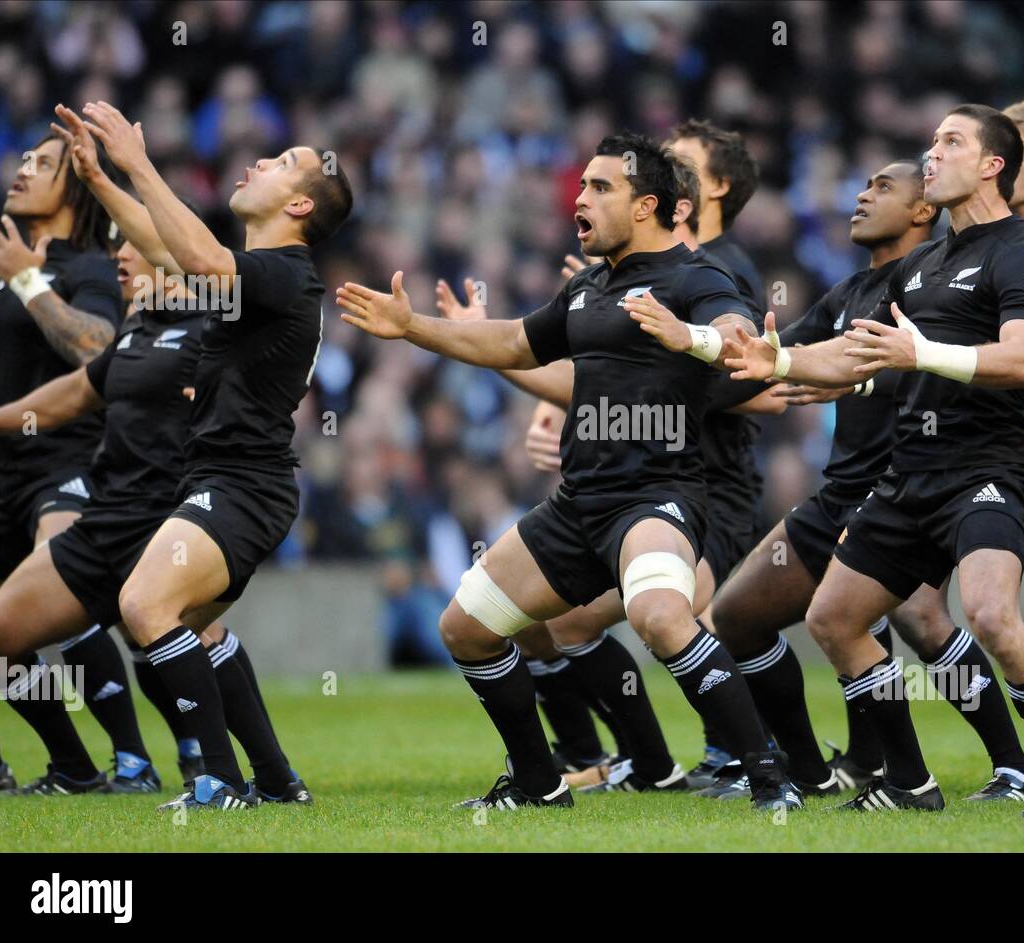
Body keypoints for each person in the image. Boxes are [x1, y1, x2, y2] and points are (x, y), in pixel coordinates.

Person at [338, 132, 801, 811]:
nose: (578, 198)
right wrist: (414, 326)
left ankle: (769, 778)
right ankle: (540, 782)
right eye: (581, 186)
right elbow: (515, 342)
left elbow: (742, 342)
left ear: (646, 206)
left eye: (599, 188)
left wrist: (692, 338)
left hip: (656, 497)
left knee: (661, 615)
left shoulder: (696, 277)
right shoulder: (589, 288)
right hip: (580, 501)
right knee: (464, 628)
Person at [723, 105, 1024, 816]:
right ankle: (909, 782)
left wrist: (919, 352)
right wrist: (778, 358)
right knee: (834, 619)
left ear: (992, 164)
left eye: (950, 142)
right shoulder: (922, 264)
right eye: (930, 142)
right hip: (907, 478)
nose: (932, 153)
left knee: (989, 616)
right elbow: (858, 349)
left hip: (983, 470)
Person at [52, 100, 350, 810]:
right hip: (230, 482)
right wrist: (100, 177)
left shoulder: (286, 272)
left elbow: (196, 256)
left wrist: (138, 160)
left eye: (280, 163)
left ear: (301, 201)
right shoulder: (259, 277)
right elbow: (162, 247)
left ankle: (216, 782)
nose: (255, 162)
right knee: (186, 625)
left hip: (244, 486)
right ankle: (277, 781)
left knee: (143, 602)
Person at [0, 127, 132, 794]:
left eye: (41, 163)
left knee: (69, 598)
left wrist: (30, 281)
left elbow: (97, 347)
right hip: (1, 477)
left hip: (65, 472)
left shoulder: (91, 270)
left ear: (74, 186)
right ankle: (50, 765)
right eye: (23, 159)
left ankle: (134, 756)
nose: (21, 170)